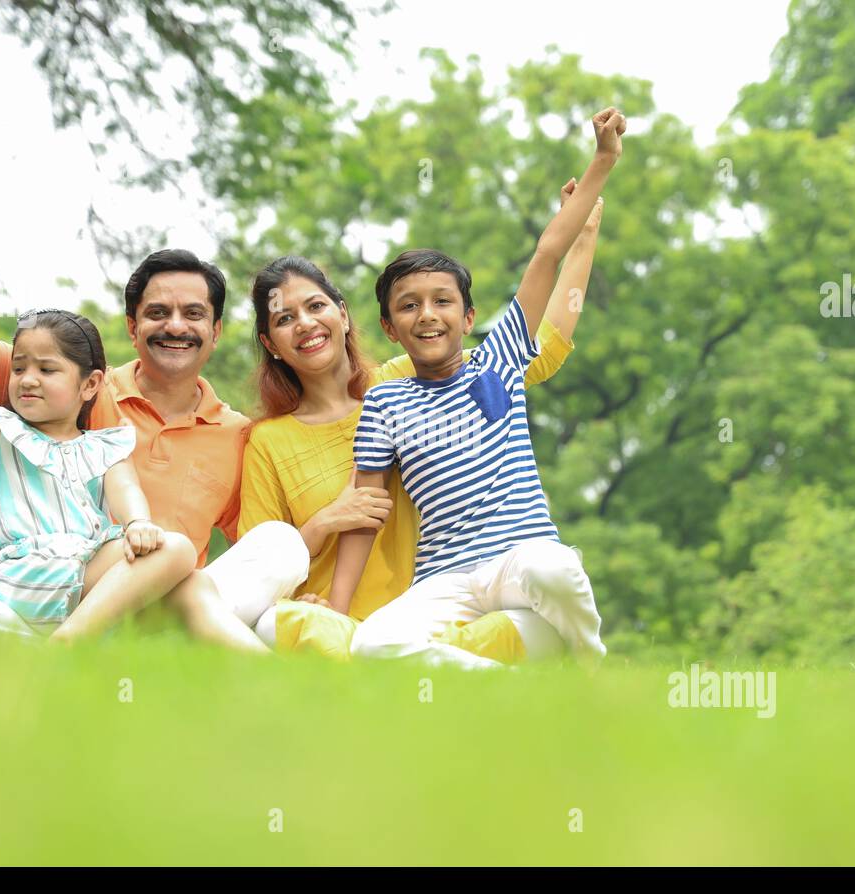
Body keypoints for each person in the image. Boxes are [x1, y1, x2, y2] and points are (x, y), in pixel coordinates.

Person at [0, 163, 308, 652]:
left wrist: (309, 594)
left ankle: (146, 643)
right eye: (157, 313)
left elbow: (253, 551)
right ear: (132, 327)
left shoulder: (238, 434)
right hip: (63, 595)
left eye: (193, 314)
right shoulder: (65, 386)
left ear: (215, 332)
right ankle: (55, 654)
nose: (175, 326)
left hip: (169, 601)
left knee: (281, 543)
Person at [240, 181, 604, 664]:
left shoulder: (422, 375)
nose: (305, 324)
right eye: (285, 319)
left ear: (344, 316)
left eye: (316, 306)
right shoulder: (283, 436)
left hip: (472, 593)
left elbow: (546, 323)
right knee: (278, 626)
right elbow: (265, 561)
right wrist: (328, 546)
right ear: (270, 342)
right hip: (379, 612)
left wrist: (584, 230)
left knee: (549, 576)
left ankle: (583, 671)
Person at [332, 107, 627, 669]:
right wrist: (340, 610)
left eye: (442, 302)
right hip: (445, 578)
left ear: (468, 318)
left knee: (556, 568)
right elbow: (366, 508)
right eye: (409, 306)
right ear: (391, 328)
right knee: (372, 646)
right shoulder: (385, 400)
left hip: (520, 559)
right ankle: (507, 691)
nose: (428, 316)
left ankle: (591, 673)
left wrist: (603, 161)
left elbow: (546, 255)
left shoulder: (499, 362)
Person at [0, 276, 196, 640]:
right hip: (12, 584)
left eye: (46, 370)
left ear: (90, 385)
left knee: (175, 547)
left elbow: (126, 489)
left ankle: (63, 644)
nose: (28, 380)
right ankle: (37, 648)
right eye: (19, 368)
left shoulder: (105, 446)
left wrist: (138, 523)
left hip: (82, 581)